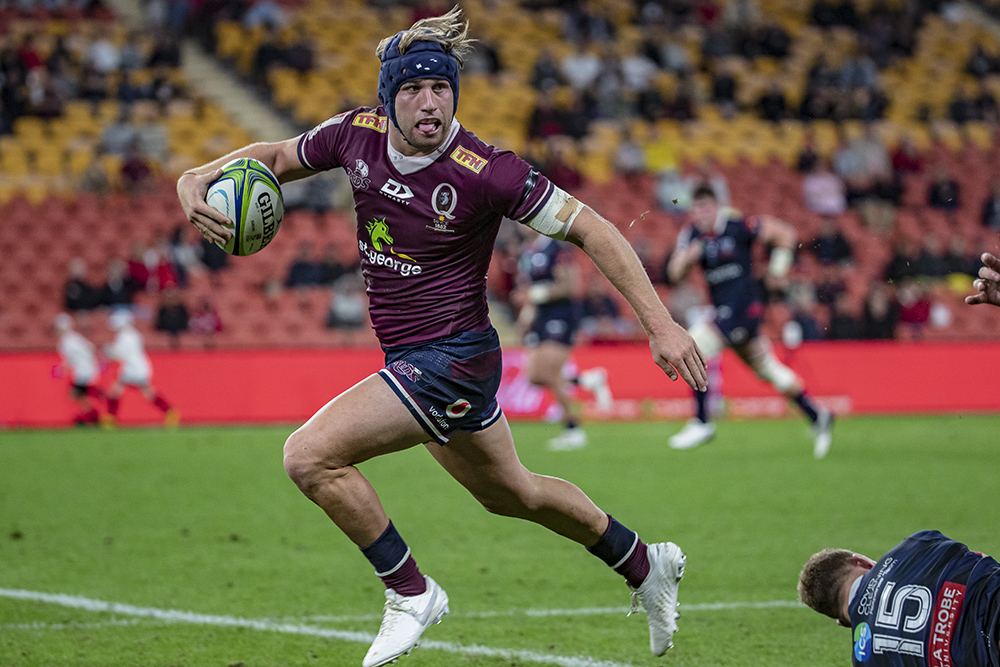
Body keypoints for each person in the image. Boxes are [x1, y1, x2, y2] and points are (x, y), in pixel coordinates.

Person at [176, 8, 707, 666]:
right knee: (513, 493)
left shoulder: (488, 170)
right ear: (388, 97)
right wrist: (197, 175)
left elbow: (592, 228)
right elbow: (278, 157)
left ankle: (410, 592)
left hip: (452, 359)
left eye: (441, 89)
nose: (430, 103)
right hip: (415, 357)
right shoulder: (356, 135)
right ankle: (645, 563)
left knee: (309, 456)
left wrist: (659, 323)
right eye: (413, 90)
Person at [666, 184, 834, 458]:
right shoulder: (692, 235)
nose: (701, 214)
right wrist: (688, 258)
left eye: (706, 208)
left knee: (693, 345)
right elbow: (674, 275)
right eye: (696, 209)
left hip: (745, 309)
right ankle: (818, 415)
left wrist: (778, 269)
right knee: (767, 369)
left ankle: (701, 422)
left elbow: (785, 234)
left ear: (716, 207)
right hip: (723, 312)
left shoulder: (737, 226)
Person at [797, 530, 1000, 667]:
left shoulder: (865, 659)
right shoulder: (916, 543)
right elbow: (980, 560)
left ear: (844, 623)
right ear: (862, 561)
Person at [514, 229, 614, 451]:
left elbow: (569, 287)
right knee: (535, 377)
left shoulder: (555, 248)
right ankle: (588, 380)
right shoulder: (527, 252)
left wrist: (533, 295)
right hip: (541, 317)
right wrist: (526, 315)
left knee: (551, 372)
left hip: (561, 316)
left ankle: (573, 430)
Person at [102, 310, 179, 428]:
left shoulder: (124, 337)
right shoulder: (133, 334)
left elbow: (118, 354)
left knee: (139, 393)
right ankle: (170, 412)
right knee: (124, 391)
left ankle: (110, 418)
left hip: (134, 369)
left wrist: (107, 351)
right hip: (137, 367)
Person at [54, 313, 104, 427]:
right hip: (86, 369)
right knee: (80, 395)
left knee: (75, 395)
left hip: (83, 371)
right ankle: (91, 417)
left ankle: (92, 416)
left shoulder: (66, 342)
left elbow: (69, 360)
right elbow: (91, 348)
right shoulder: (75, 337)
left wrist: (62, 369)